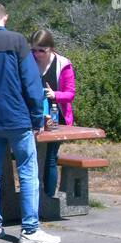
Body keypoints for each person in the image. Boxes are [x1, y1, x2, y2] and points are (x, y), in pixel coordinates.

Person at [0, 2, 59, 243]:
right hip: (17, 118)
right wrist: (38, 117)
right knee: (28, 172)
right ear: (5, 18)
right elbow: (31, 83)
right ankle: (29, 230)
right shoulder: (18, 42)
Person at [29, 29, 77, 199]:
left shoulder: (63, 64)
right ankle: (33, 197)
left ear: (51, 49)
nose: (37, 54)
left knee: (50, 157)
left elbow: (70, 93)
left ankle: (47, 199)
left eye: (41, 50)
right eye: (33, 50)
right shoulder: (28, 61)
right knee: (31, 156)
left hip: (56, 115)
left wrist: (55, 94)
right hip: (33, 115)